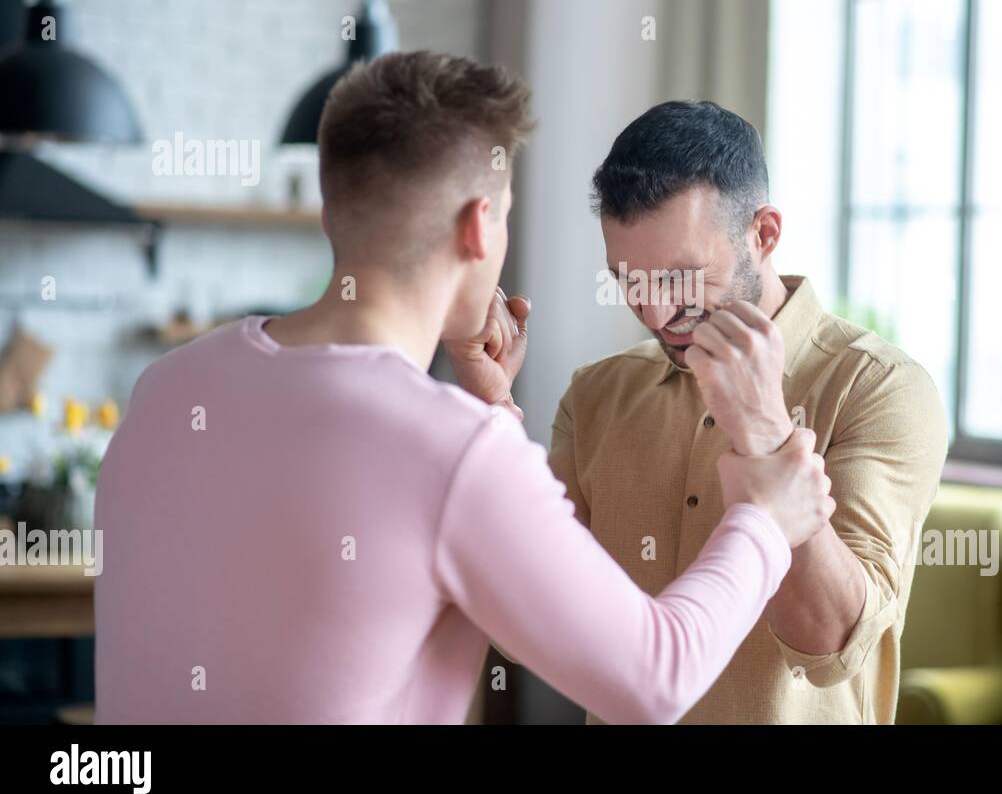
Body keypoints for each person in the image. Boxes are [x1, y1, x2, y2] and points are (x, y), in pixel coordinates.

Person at [93, 54, 833, 725]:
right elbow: (656, 680)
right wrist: (766, 519)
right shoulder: (455, 453)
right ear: (480, 227)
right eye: (506, 215)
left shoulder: (166, 388)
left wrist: (490, 413)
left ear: (333, 216)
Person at [456, 100, 949, 724]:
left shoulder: (879, 390)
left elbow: (831, 649)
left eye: (680, 279)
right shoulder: (597, 397)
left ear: (764, 234)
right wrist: (492, 408)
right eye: (629, 281)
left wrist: (766, 435)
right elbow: (519, 625)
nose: (657, 314)